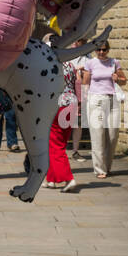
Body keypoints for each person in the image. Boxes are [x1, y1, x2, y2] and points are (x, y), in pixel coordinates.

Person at [81, 40, 126, 178]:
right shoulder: (91, 63)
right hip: (96, 100)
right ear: (95, 50)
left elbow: (124, 80)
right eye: (99, 50)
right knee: (98, 135)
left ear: (108, 50)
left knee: (112, 136)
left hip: (112, 100)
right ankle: (99, 169)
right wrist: (84, 101)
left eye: (104, 50)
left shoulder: (114, 62)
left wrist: (117, 78)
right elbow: (85, 83)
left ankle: (107, 166)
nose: (101, 52)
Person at [46, 52, 80, 192]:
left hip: (57, 104)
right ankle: (51, 179)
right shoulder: (71, 65)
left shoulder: (49, 66)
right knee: (61, 142)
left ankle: (68, 178)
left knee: (54, 145)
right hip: (71, 103)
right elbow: (77, 84)